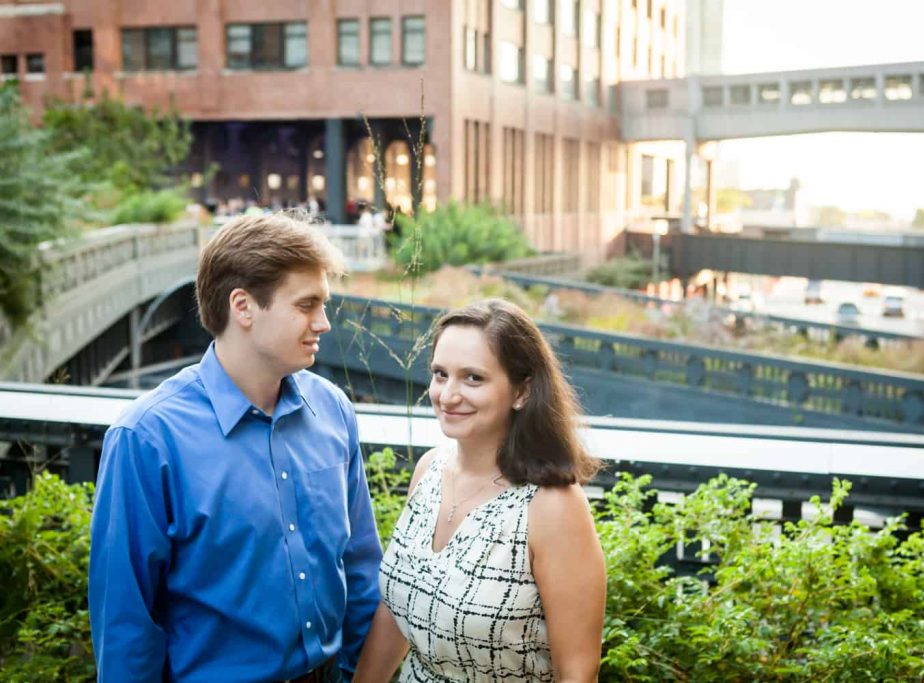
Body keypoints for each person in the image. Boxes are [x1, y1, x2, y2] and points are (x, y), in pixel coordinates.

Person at [89, 212, 383, 683]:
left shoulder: (333, 411)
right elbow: (126, 622)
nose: (323, 323)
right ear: (243, 307)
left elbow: (362, 568)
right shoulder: (146, 438)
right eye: (307, 305)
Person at [354, 299, 606, 682]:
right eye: (440, 374)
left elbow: (578, 672)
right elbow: (394, 612)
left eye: (473, 378)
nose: (448, 395)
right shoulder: (428, 471)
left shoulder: (552, 507)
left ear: (522, 392)